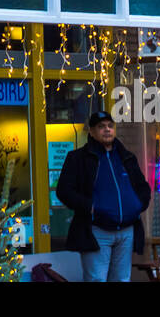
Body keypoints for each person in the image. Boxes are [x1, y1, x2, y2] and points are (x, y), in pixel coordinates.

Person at [55, 110, 151, 281]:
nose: (107, 129)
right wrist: (90, 208)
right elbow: (64, 191)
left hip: (126, 230)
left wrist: (137, 206)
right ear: (91, 132)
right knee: (96, 279)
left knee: (122, 279)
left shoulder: (126, 157)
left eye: (110, 126)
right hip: (97, 231)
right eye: (101, 127)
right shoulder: (77, 158)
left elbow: (143, 187)